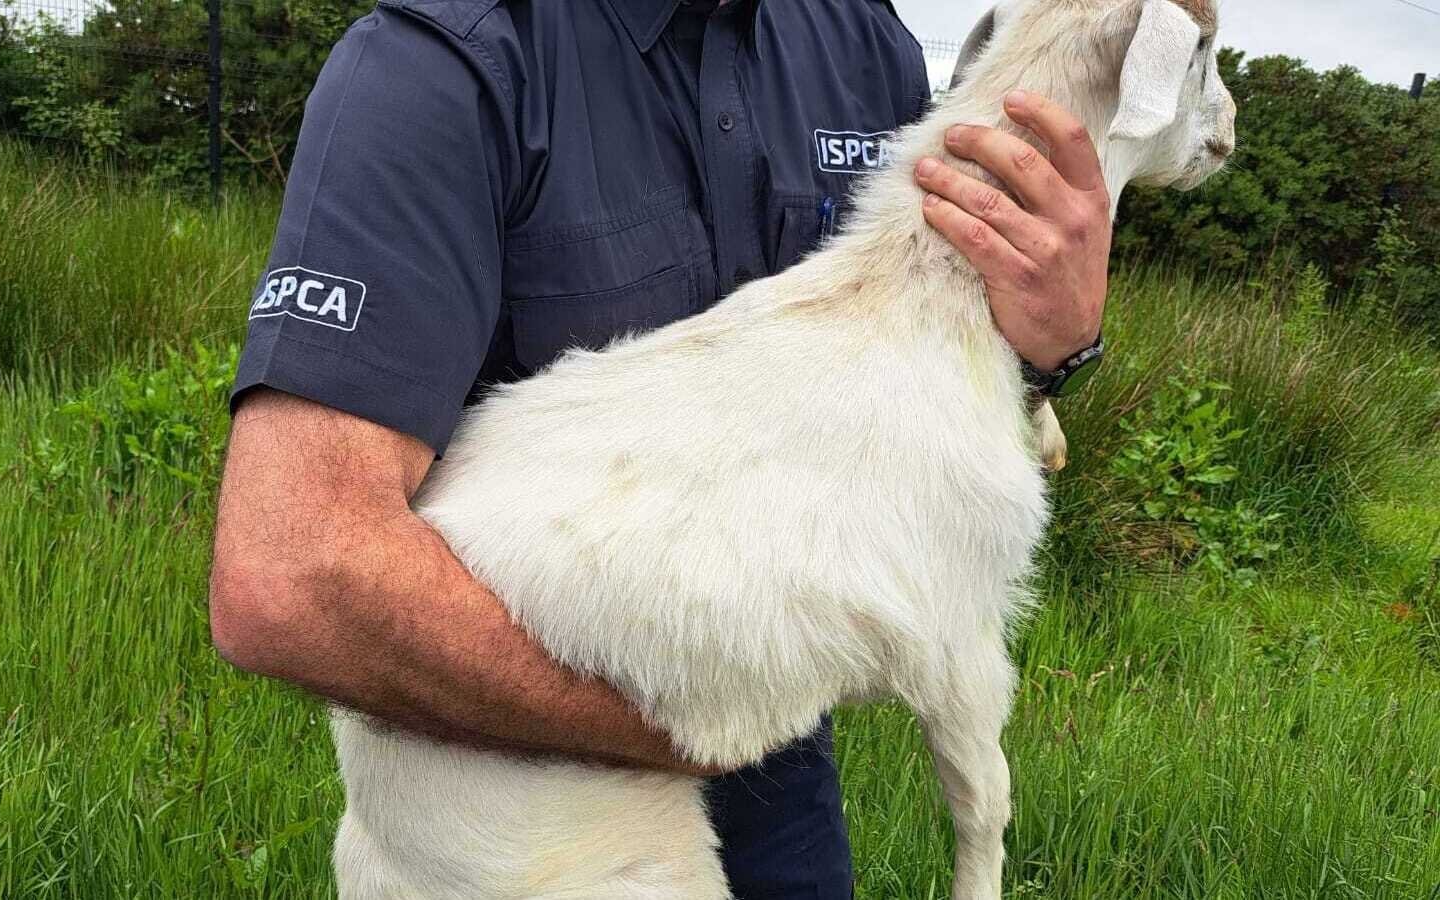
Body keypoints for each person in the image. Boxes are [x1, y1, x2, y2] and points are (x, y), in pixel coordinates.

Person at [208, 0, 1110, 895]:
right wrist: (701, 716)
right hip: (509, 810)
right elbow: (293, 579)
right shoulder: (441, 65)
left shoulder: (862, 43)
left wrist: (1047, 352)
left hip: (778, 762)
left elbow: (910, 388)